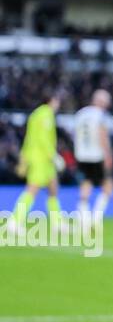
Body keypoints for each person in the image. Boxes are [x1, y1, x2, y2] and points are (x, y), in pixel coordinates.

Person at [11, 92, 63, 227]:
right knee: (32, 189)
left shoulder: (36, 114)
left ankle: (57, 222)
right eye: (57, 100)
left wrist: (24, 156)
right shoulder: (46, 114)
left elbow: (29, 137)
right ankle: (15, 221)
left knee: (53, 188)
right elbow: (43, 138)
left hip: (38, 157)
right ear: (51, 100)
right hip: (40, 158)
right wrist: (54, 156)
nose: (58, 103)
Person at [73, 90, 113, 227]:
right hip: (97, 155)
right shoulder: (101, 115)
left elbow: (75, 134)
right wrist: (107, 155)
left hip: (81, 155)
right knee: (108, 185)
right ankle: (96, 216)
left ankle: (83, 216)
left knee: (86, 184)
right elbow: (102, 135)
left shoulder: (81, 113)